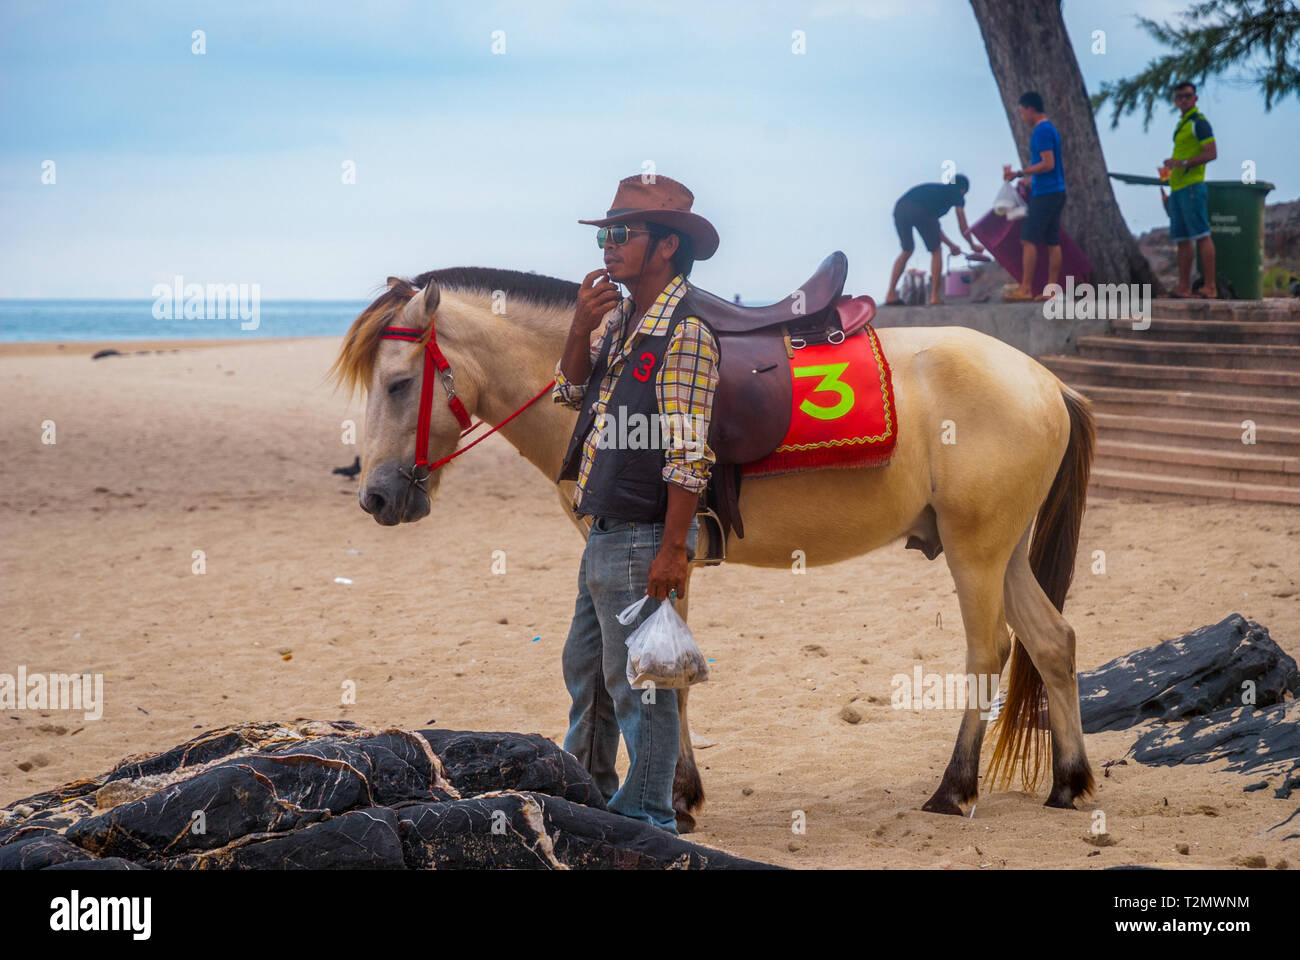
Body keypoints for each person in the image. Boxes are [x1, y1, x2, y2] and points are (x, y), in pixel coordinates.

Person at [551, 174, 720, 834]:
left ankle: (648, 818)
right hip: (605, 531)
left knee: (642, 686)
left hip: (646, 533)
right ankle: (587, 796)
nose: (607, 245)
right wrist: (578, 326)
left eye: (622, 234)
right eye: (605, 233)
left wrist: (674, 549)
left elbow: (688, 454)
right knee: (588, 671)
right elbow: (569, 397)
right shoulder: (622, 322)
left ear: (667, 248)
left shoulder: (685, 333)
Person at [1003, 91, 1066, 302]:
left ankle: (1026, 288)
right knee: (1052, 241)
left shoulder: (1042, 131)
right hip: (1055, 190)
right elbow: (1049, 167)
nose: (1022, 117)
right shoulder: (1050, 129)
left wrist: (1021, 173)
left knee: (1027, 240)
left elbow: (1048, 163)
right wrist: (1028, 181)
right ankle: (1051, 290)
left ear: (1030, 109)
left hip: (1046, 194)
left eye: (1022, 112)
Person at [883, 175, 983, 306]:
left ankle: (890, 294)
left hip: (900, 208)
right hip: (919, 210)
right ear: (963, 190)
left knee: (907, 250)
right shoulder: (956, 194)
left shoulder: (937, 192)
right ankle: (935, 297)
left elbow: (934, 226)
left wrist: (951, 245)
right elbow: (962, 224)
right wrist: (972, 245)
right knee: (936, 251)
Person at [1163, 81, 1218, 298]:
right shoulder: (1183, 124)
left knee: (1202, 235)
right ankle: (1184, 287)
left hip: (1192, 187)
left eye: (1187, 96)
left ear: (1195, 98)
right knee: (1182, 239)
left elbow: (1212, 153)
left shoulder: (1199, 123)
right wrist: (1173, 167)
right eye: (1179, 97)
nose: (1183, 100)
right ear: (1175, 101)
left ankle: (1211, 286)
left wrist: (1183, 163)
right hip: (1178, 188)